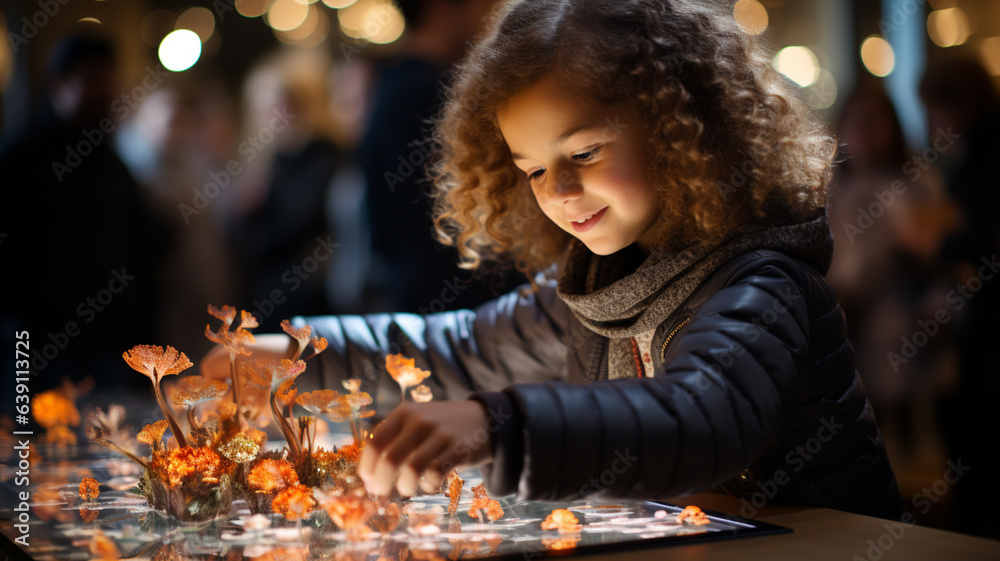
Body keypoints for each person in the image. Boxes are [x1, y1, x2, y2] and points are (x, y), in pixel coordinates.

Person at [207, 0, 902, 520]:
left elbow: (703, 419)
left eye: (585, 151)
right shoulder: (593, 283)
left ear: (680, 126)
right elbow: (464, 349)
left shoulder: (762, 281)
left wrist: (495, 424)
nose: (560, 193)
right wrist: (295, 352)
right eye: (533, 170)